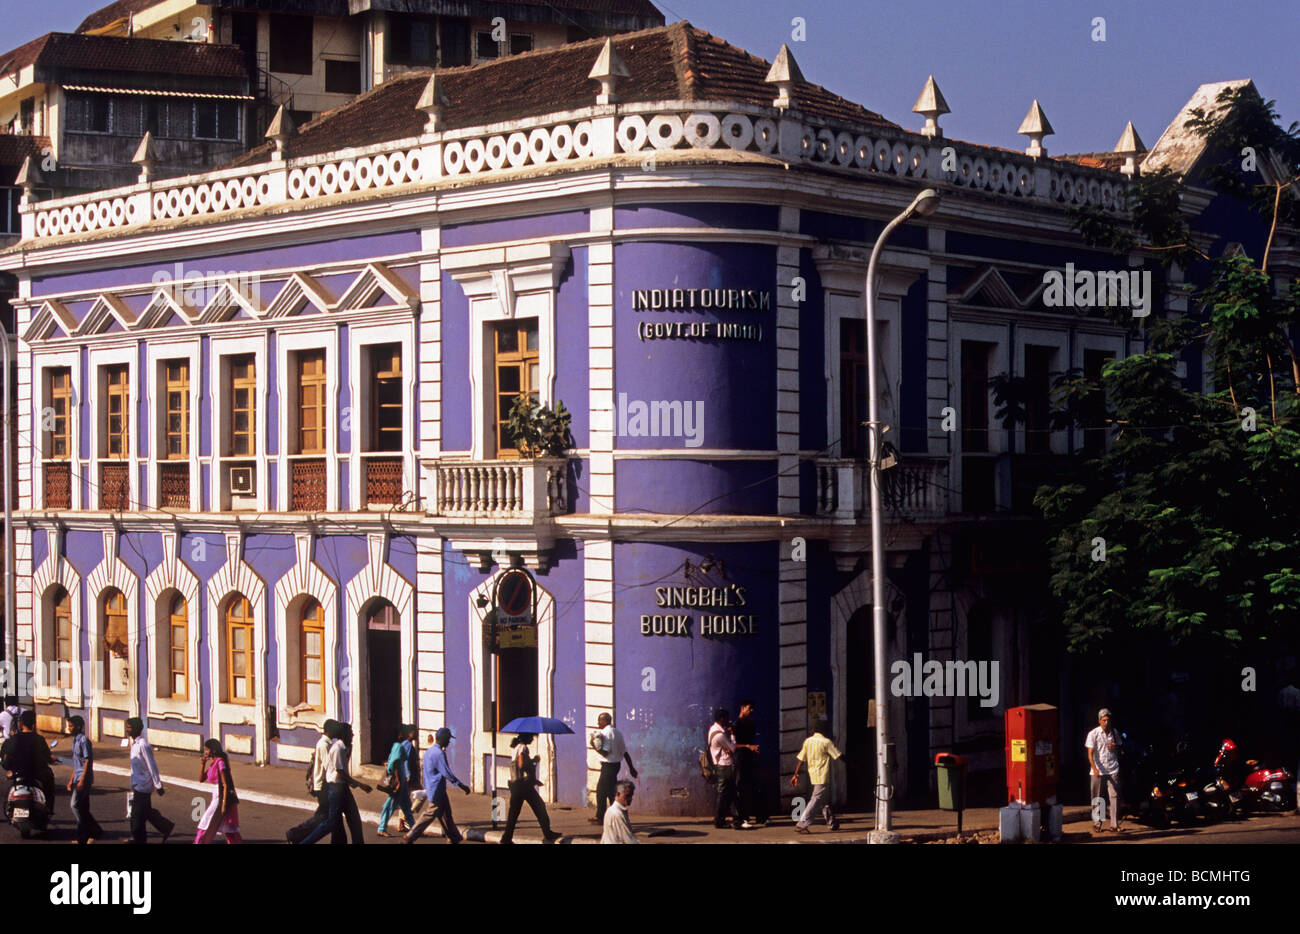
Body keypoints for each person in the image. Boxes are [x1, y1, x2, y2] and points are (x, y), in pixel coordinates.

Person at [297, 721, 371, 845]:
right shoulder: (337, 748)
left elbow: (343, 768)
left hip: (343, 788)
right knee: (330, 823)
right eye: (350, 733)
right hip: (336, 789)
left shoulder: (344, 747)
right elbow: (340, 771)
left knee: (354, 819)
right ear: (344, 734)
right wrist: (360, 784)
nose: (352, 735)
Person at [404, 727, 469, 844]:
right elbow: (447, 773)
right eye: (448, 739)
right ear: (443, 739)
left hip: (434, 788)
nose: (449, 742)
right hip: (437, 790)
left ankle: (454, 837)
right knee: (430, 814)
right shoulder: (439, 753)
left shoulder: (429, 752)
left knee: (446, 814)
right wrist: (462, 785)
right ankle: (411, 835)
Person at [286, 719, 342, 844]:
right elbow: (329, 766)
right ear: (329, 730)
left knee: (324, 816)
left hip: (323, 784)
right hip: (323, 785)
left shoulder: (325, 743)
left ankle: (296, 835)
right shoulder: (324, 744)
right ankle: (294, 834)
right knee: (323, 817)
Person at [500, 733, 562, 844]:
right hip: (523, 785)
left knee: (513, 813)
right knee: (539, 807)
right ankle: (547, 833)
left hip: (515, 784)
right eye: (531, 737)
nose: (533, 739)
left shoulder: (516, 747)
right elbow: (521, 764)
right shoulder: (523, 747)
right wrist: (534, 761)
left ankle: (506, 838)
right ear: (526, 738)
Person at [125, 717, 174, 844]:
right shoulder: (134, 744)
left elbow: (152, 765)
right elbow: (134, 767)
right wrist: (132, 784)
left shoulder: (143, 745)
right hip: (137, 784)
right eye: (127, 727)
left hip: (144, 785)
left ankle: (139, 840)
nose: (127, 730)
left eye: (129, 727)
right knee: (144, 812)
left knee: (136, 818)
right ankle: (165, 827)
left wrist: (158, 785)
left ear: (137, 729)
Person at [3, 709, 57, 819]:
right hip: (37, 774)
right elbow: (47, 758)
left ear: (21, 724)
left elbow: (6, 760)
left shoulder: (14, 739)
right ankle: (49, 809)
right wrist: (52, 759)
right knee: (50, 780)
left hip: (18, 774)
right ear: (34, 724)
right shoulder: (39, 739)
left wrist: (10, 769)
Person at [791, 719, 841, 833]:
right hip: (822, 776)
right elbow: (838, 755)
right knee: (816, 799)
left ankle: (832, 822)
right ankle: (802, 823)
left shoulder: (808, 741)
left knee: (823, 800)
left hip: (812, 776)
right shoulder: (826, 742)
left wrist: (795, 775)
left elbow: (801, 759)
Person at [590, 711, 638, 825]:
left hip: (608, 766)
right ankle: (618, 816)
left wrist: (593, 745)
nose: (598, 723)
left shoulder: (606, 733)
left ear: (605, 721)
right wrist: (631, 767)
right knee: (611, 791)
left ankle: (600, 817)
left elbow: (605, 753)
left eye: (599, 720)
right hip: (616, 765)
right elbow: (625, 752)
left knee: (601, 791)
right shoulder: (618, 732)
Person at [195, 739, 243, 844]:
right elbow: (201, 779)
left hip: (220, 797)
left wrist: (224, 804)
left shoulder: (220, 763)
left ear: (213, 751)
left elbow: (225, 784)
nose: (205, 752)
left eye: (206, 750)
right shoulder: (213, 764)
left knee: (206, 822)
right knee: (228, 828)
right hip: (216, 796)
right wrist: (203, 764)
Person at [731, 699, 767, 828]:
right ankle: (739, 819)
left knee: (754, 787)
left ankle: (759, 817)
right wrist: (748, 746)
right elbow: (733, 746)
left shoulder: (751, 725)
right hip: (739, 760)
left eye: (752, 709)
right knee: (739, 788)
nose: (751, 711)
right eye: (749, 708)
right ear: (742, 708)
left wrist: (753, 748)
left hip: (749, 759)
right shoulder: (735, 725)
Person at [1086, 707, 1123, 832]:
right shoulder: (1093, 734)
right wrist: (1094, 769)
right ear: (1100, 721)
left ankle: (1114, 824)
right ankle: (1098, 823)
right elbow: (1090, 753)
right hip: (1098, 770)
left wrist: (1115, 747)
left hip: (1112, 768)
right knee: (1098, 798)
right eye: (1104, 720)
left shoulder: (1114, 732)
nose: (1107, 722)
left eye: (1108, 720)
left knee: (1114, 796)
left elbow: (1119, 747)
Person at [66, 715, 101, 845]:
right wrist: (71, 780)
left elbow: (87, 761)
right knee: (83, 808)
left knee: (75, 805)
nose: (69, 728)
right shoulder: (75, 740)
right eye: (69, 726)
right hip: (78, 777)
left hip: (84, 779)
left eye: (71, 726)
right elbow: (77, 763)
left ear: (79, 727)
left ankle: (87, 833)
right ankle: (92, 833)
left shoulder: (84, 741)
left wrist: (81, 780)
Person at [378, 724, 416, 837]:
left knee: (406, 806)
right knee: (390, 805)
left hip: (402, 781)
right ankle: (382, 828)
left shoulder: (397, 746)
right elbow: (393, 765)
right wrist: (398, 781)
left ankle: (414, 829)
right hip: (399, 781)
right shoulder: (398, 747)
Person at [707, 708, 741, 829]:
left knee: (729, 793)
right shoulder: (720, 735)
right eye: (726, 718)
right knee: (725, 794)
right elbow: (733, 748)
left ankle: (735, 819)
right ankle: (719, 820)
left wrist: (728, 747)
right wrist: (732, 734)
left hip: (721, 765)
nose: (728, 721)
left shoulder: (713, 730)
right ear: (722, 719)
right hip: (725, 766)